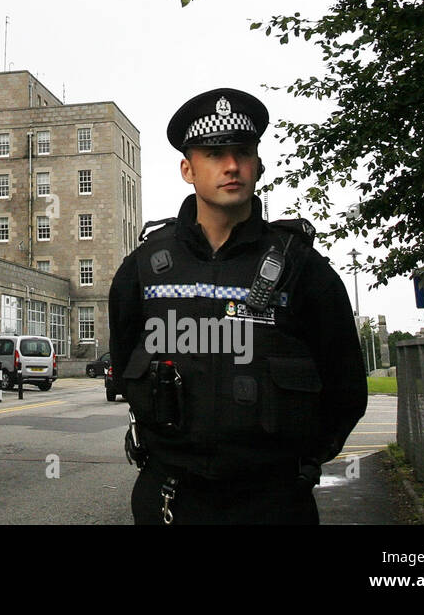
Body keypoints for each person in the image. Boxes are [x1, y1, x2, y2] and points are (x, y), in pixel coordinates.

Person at [109, 87, 368, 524]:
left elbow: (345, 389)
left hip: (274, 502)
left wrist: (301, 469)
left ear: (259, 165)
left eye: (243, 152)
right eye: (214, 154)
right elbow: (125, 364)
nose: (231, 166)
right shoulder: (145, 268)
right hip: (170, 498)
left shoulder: (301, 267)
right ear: (188, 169)